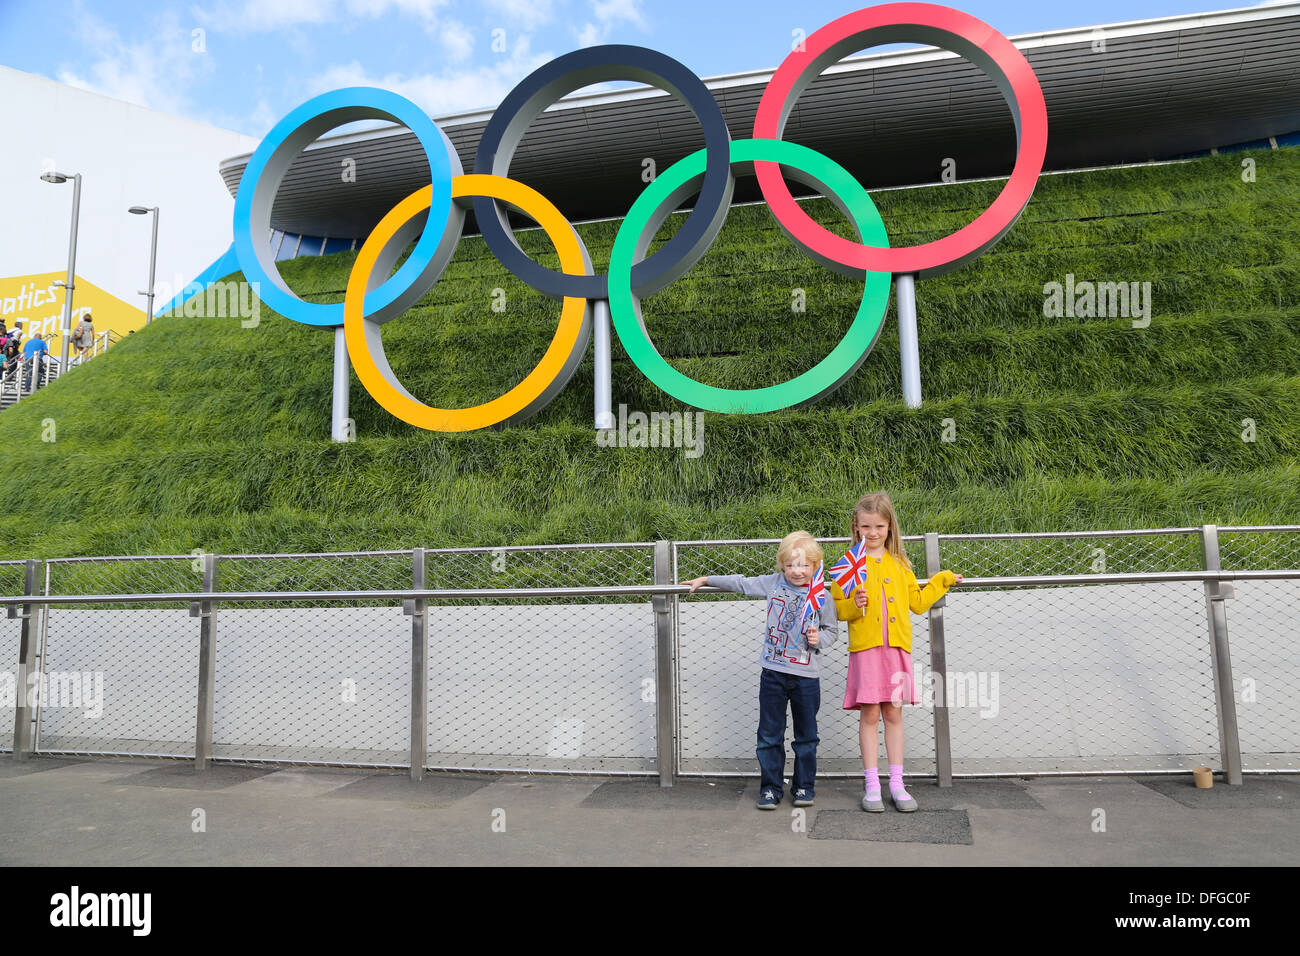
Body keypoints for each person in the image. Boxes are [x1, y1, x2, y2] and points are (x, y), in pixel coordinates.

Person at [682, 530, 838, 810]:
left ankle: (803, 786)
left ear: (815, 565)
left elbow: (832, 632)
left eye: (803, 565)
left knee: (806, 737)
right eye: (790, 565)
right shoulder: (774, 584)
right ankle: (770, 788)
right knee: (769, 735)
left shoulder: (823, 596)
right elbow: (741, 584)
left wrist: (819, 640)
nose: (797, 571)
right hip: (773, 674)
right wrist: (707, 580)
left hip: (806, 678)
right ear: (782, 566)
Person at [831, 492, 962, 813]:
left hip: (896, 651)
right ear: (856, 527)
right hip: (866, 651)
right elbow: (836, 609)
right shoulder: (848, 566)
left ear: (890, 527)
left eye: (879, 526)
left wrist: (942, 580)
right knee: (871, 714)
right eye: (865, 526)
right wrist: (853, 603)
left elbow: (917, 604)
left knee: (893, 713)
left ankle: (897, 783)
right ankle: (872, 784)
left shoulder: (900, 565)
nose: (872, 532)